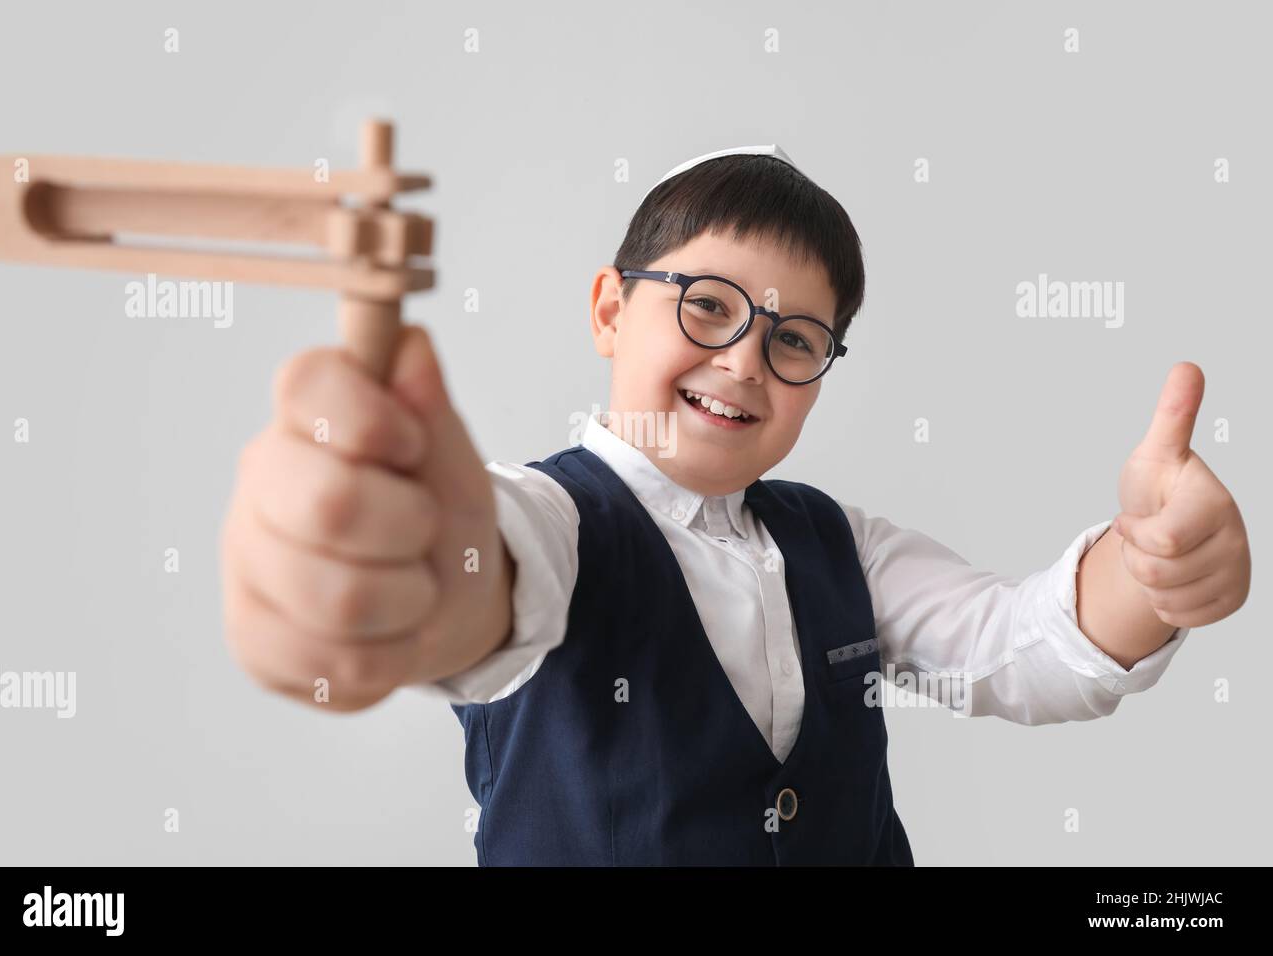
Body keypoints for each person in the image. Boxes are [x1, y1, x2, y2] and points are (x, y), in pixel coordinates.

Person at [219, 145, 1252, 865]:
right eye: (706, 305)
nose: (744, 359)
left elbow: (1024, 647)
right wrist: (393, 551)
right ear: (610, 309)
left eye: (794, 337)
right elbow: (479, 577)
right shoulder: (552, 521)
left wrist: (1152, 562)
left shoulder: (838, 541)